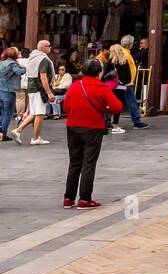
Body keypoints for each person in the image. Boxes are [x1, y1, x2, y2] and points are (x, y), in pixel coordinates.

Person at [61, 59, 123, 209]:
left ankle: (68, 198)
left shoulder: (76, 86)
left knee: (74, 163)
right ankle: (84, 198)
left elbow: (65, 107)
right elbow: (117, 107)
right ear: (99, 73)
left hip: (73, 127)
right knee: (88, 163)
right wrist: (105, 108)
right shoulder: (102, 88)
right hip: (93, 128)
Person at [10, 39, 55, 145]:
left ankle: (18, 130)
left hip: (31, 88)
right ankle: (35, 138)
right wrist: (49, 92)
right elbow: (43, 77)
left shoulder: (33, 57)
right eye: (49, 46)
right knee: (40, 114)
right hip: (39, 89)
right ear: (43, 48)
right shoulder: (43, 59)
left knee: (34, 113)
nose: (50, 48)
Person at [113, 42, 149, 130]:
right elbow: (126, 70)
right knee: (131, 102)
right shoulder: (126, 55)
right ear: (130, 44)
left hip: (121, 83)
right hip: (126, 83)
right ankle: (136, 121)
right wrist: (128, 81)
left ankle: (111, 122)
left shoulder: (123, 54)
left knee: (117, 102)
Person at [0, 47, 25, 141]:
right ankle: (3, 135)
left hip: (0, 90)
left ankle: (0, 132)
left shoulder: (1, 63)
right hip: (8, 92)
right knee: (8, 114)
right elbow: (19, 72)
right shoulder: (12, 64)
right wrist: (24, 67)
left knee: (2, 113)